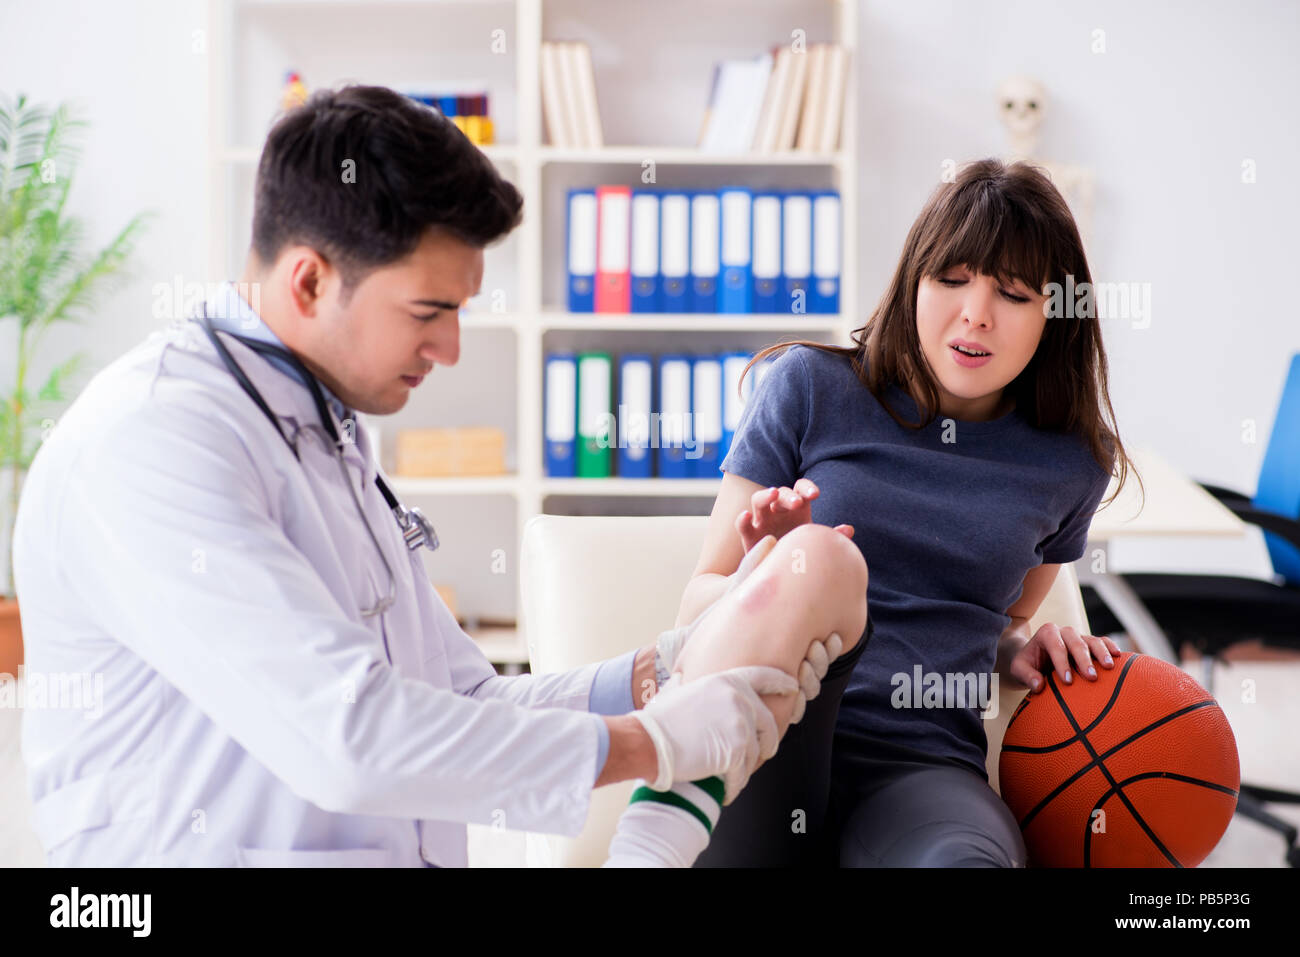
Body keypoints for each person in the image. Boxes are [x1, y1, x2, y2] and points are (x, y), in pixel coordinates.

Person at [10, 84, 834, 867]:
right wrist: (654, 742)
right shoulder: (153, 439)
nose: (451, 349)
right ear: (309, 280)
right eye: (429, 312)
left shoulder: (325, 429)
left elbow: (464, 703)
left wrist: (668, 665)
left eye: (461, 311)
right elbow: (348, 737)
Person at [675, 158, 1147, 867]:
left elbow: (989, 624)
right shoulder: (809, 387)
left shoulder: (1072, 461)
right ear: (913, 282)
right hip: (768, 726)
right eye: (951, 279)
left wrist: (1024, 648)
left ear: (1058, 313)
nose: (975, 313)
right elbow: (695, 608)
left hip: (918, 760)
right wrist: (764, 572)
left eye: (1013, 293)